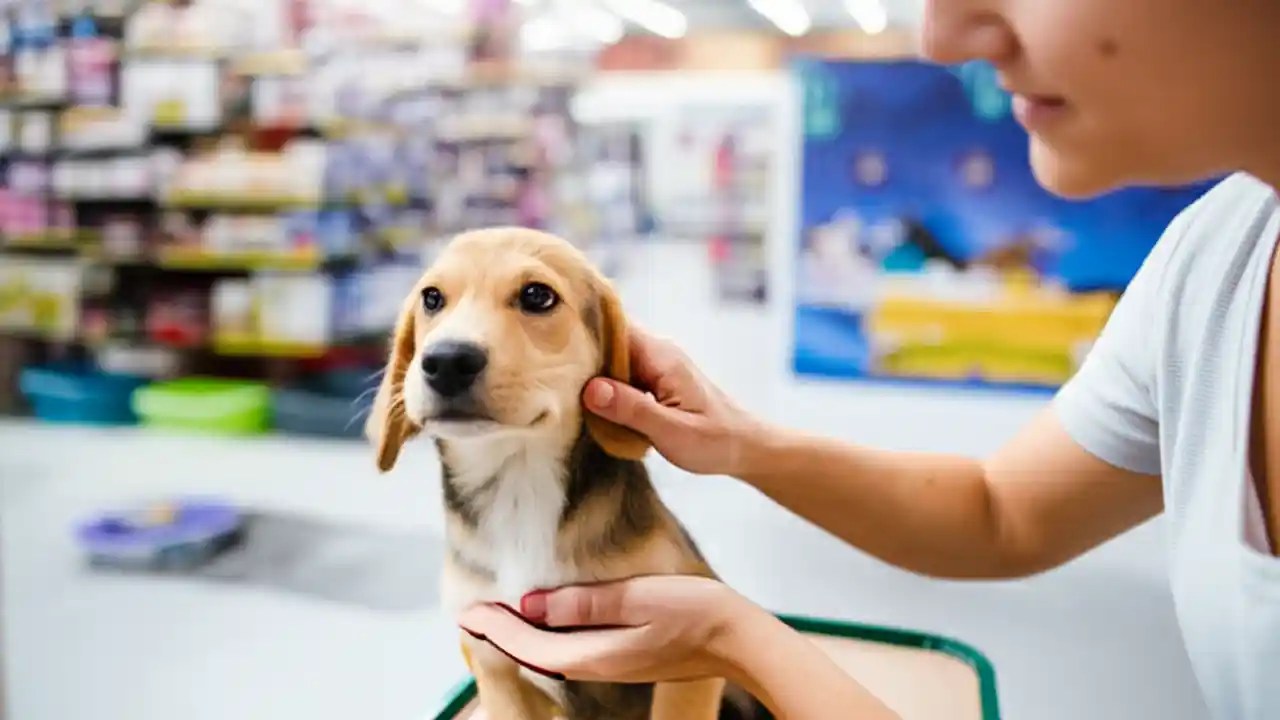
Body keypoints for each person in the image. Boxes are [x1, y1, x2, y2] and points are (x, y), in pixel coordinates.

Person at [458, 1, 1280, 717]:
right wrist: (741, 445)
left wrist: (729, 636)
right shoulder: (1215, 264)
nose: (944, 34)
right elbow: (1000, 514)